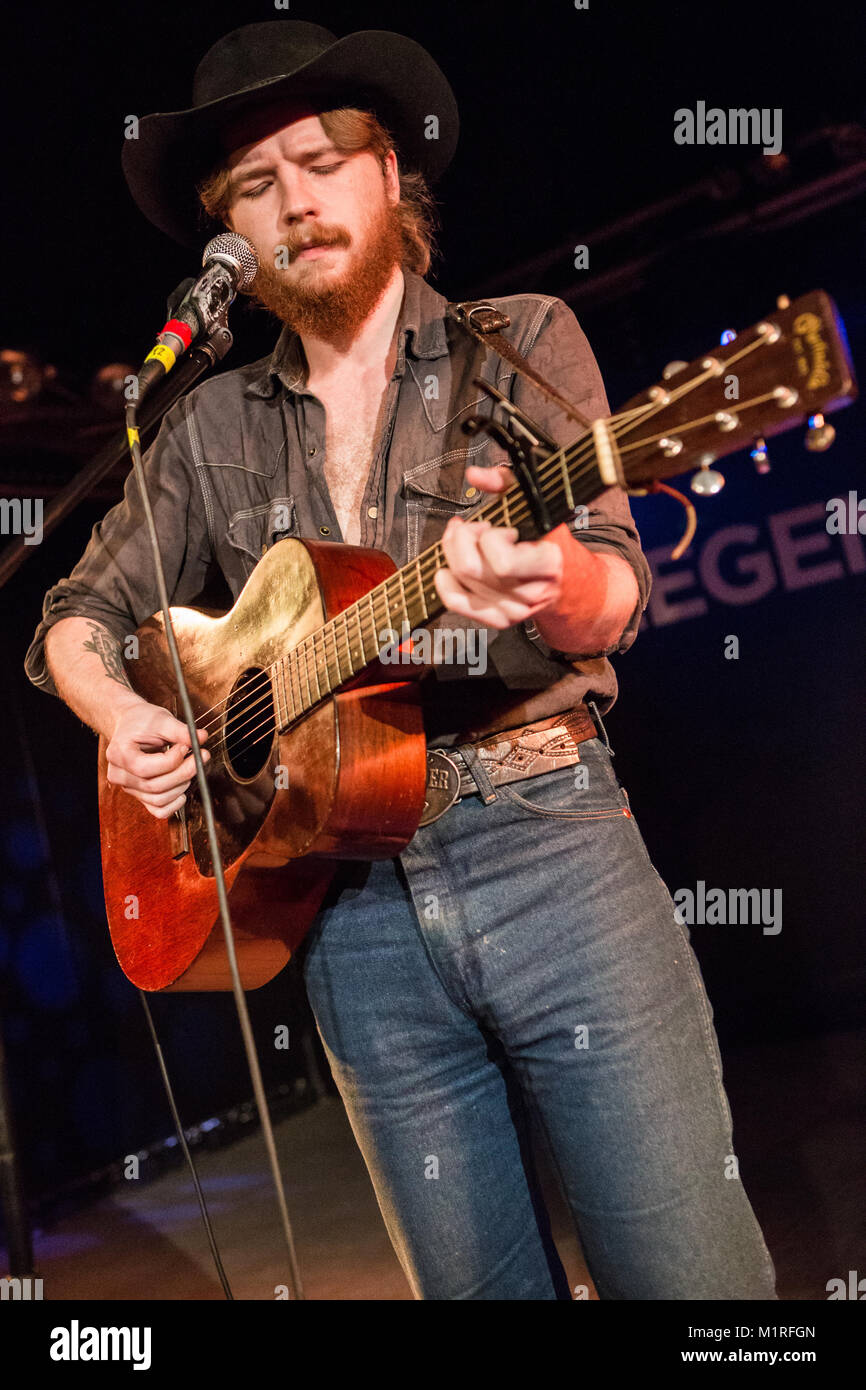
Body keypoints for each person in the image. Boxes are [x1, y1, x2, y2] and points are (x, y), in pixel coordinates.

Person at [24, 21, 778, 1300]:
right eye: (255, 187)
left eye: (320, 160)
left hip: (550, 850)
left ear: (390, 177)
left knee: (687, 1279)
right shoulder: (205, 427)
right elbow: (72, 620)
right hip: (349, 918)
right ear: (231, 234)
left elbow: (612, 585)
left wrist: (553, 584)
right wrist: (119, 714)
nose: (294, 201)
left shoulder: (517, 336)